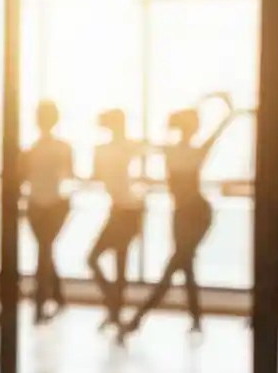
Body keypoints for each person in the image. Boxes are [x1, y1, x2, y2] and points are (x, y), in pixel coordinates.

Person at [119, 93, 242, 342]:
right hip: (183, 214)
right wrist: (227, 109)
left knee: (174, 267)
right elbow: (219, 129)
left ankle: (136, 321)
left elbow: (219, 129)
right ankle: (195, 320)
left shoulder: (174, 151)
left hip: (195, 213)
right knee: (185, 266)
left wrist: (227, 110)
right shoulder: (182, 150)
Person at [86, 109, 147, 330]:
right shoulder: (119, 148)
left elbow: (97, 175)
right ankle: (114, 306)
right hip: (123, 209)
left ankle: (114, 308)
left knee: (108, 260)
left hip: (127, 209)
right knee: (109, 260)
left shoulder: (110, 149)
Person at [22, 100, 74, 324]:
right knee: (45, 251)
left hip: (44, 204)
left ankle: (40, 304)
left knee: (43, 251)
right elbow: (69, 174)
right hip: (45, 203)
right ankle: (56, 298)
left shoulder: (33, 150)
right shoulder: (57, 148)